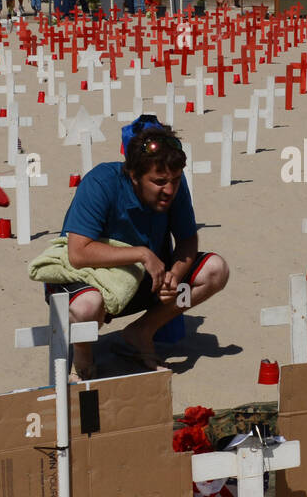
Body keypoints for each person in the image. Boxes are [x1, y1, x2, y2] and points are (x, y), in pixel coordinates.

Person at [43, 120, 229, 378]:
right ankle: (84, 352)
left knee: (215, 271)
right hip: (89, 279)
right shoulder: (100, 183)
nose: (170, 189)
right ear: (134, 175)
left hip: (144, 282)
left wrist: (174, 276)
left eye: (175, 180)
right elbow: (78, 253)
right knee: (87, 307)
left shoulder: (174, 184)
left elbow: (187, 240)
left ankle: (141, 332)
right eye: (159, 181)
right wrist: (142, 254)